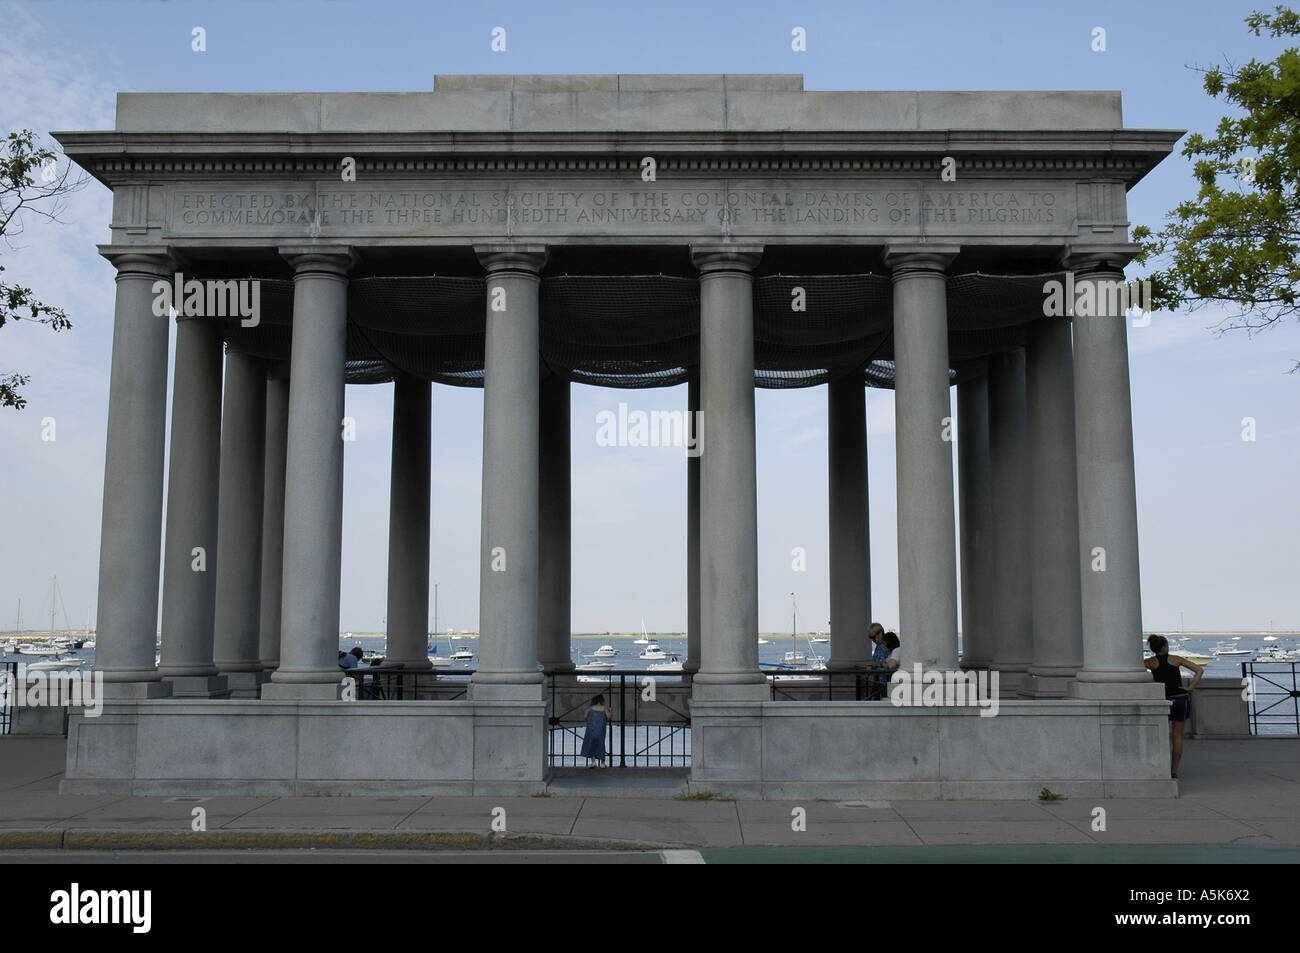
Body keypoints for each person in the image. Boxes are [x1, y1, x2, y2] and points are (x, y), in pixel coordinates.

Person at [1144, 634, 1203, 779]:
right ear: (1165, 646)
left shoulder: (1150, 662)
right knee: (1177, 737)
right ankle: (1174, 771)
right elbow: (1199, 670)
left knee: (1161, 736)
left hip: (1163, 701)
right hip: (1180, 699)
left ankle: (1160, 767)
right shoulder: (1176, 659)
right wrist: (1191, 688)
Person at [580, 694, 611, 768]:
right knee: (601, 745)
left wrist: (591, 720)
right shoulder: (604, 708)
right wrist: (610, 711)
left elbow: (585, 717)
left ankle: (593, 762)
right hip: (600, 729)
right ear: (601, 700)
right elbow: (608, 717)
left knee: (591, 744)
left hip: (591, 729)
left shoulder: (590, 708)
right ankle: (602, 763)